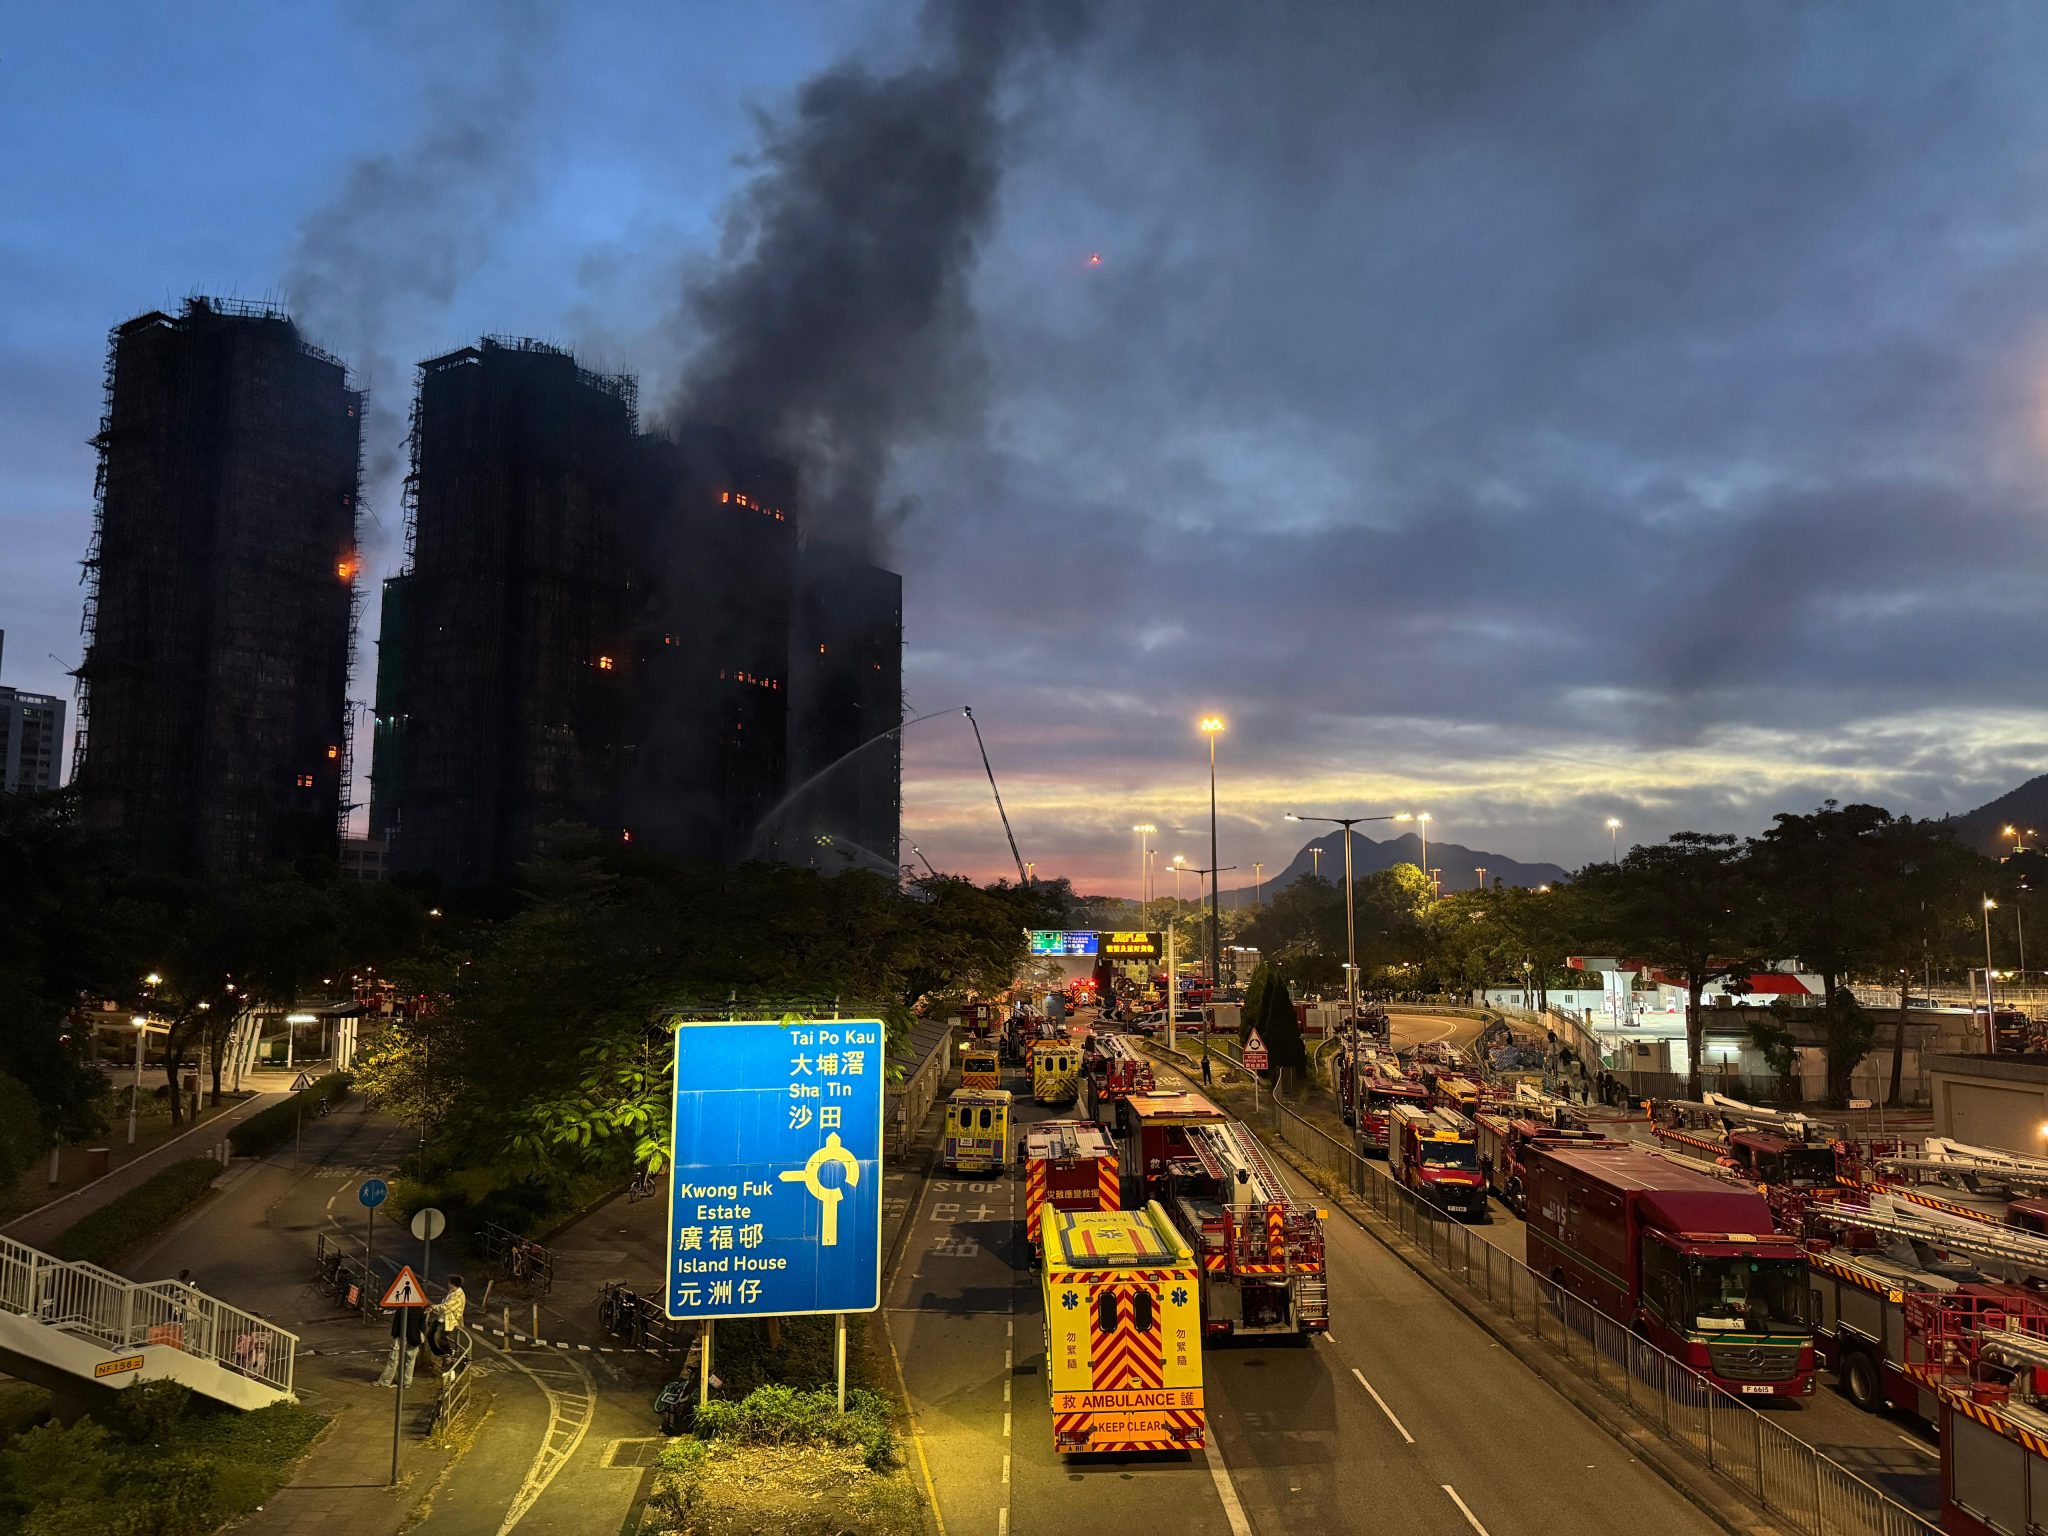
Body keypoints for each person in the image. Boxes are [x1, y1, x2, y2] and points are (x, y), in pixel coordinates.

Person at [378, 1302, 428, 1388]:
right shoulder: (420, 1309)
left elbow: (396, 1324)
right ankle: (406, 1382)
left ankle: (385, 1381)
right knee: (410, 1361)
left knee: (394, 1359)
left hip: (401, 1337)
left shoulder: (402, 1308)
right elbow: (422, 1326)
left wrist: (394, 1337)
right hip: (414, 1338)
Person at [430, 1274, 468, 1373]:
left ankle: (449, 1353)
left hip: (449, 1321)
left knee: (439, 1337)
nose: (448, 1284)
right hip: (442, 1318)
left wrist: (433, 1307)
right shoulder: (452, 1292)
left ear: (452, 1284)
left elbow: (446, 1307)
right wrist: (435, 1310)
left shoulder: (458, 1295)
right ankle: (441, 1354)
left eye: (449, 1282)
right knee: (429, 1334)